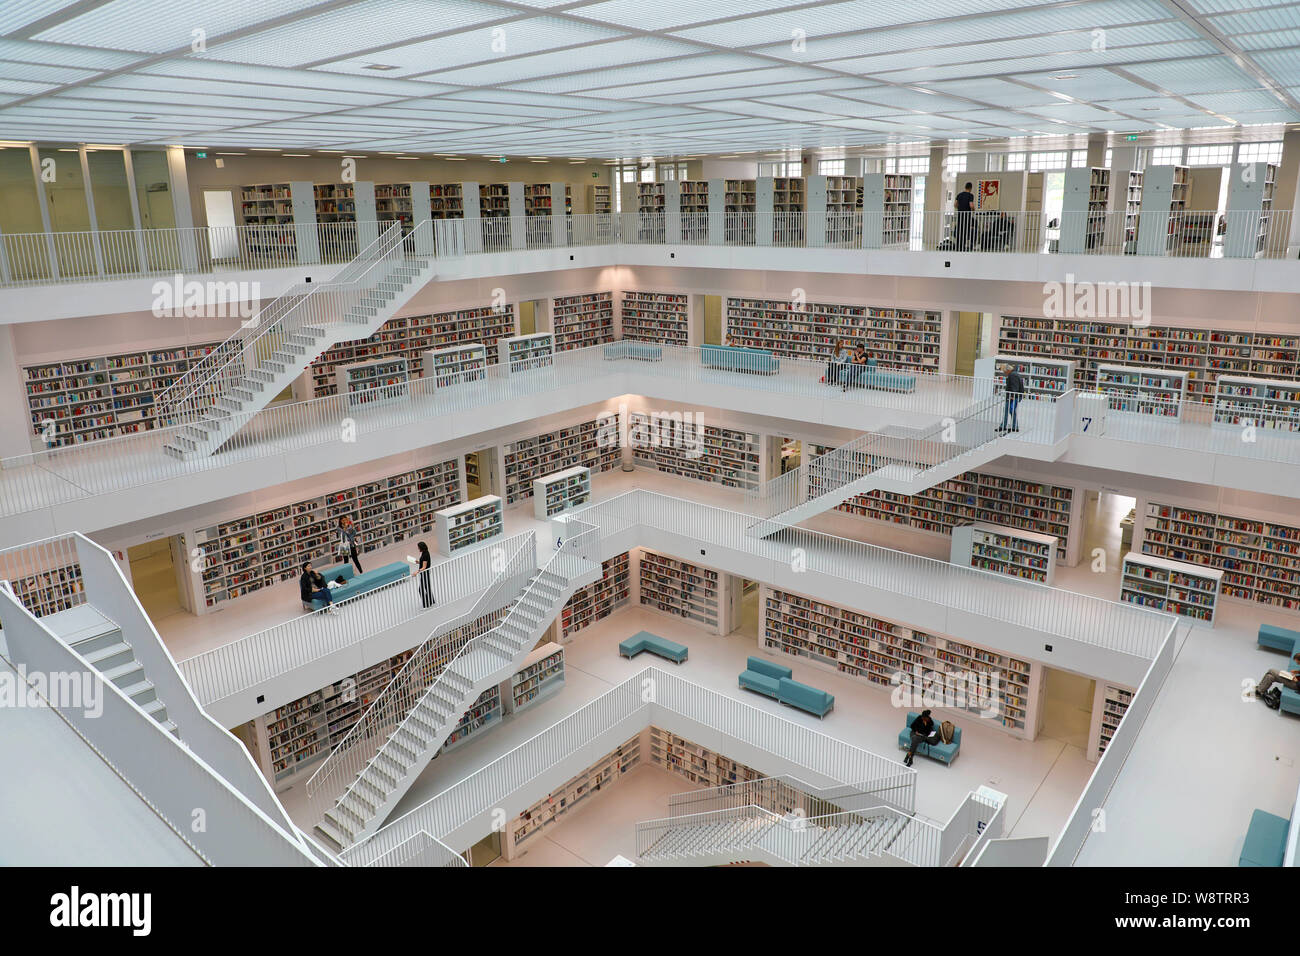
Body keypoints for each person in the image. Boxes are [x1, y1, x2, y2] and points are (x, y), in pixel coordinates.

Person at [996, 363, 1025, 433]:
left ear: (1008, 370)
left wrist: (1012, 396)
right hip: (1013, 396)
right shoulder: (1014, 374)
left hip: (1012, 397)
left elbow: (1014, 387)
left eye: (1004, 372)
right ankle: (1010, 426)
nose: (1004, 373)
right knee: (1010, 411)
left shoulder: (1012, 375)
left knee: (1009, 410)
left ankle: (1009, 426)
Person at [955, 181, 976, 250]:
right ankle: (962, 246)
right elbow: (971, 205)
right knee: (965, 230)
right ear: (970, 188)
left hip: (960, 215)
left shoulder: (959, 195)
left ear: (965, 187)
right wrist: (973, 210)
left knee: (959, 230)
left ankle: (957, 246)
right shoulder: (970, 195)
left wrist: (960, 208)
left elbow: (955, 204)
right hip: (967, 216)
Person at [416, 541, 434, 609]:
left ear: (421, 547)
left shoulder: (425, 554)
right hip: (425, 573)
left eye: (418, 548)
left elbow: (424, 567)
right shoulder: (425, 552)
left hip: (425, 574)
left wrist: (416, 572)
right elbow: (423, 562)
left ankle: (426, 604)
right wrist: (418, 562)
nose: (418, 549)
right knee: (427, 587)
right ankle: (431, 601)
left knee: (421, 589)